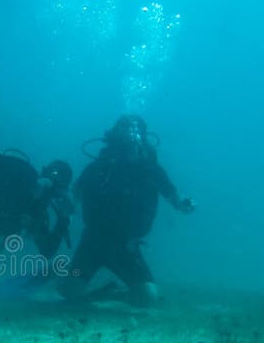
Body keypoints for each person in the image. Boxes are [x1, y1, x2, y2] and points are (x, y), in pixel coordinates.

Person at [58, 114, 195, 305]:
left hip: (126, 247)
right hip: (92, 243)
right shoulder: (97, 168)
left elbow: (173, 195)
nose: (131, 139)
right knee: (66, 290)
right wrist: (67, 204)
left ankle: (108, 294)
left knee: (148, 297)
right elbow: (76, 193)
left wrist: (184, 203)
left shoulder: (151, 170)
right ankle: (63, 274)